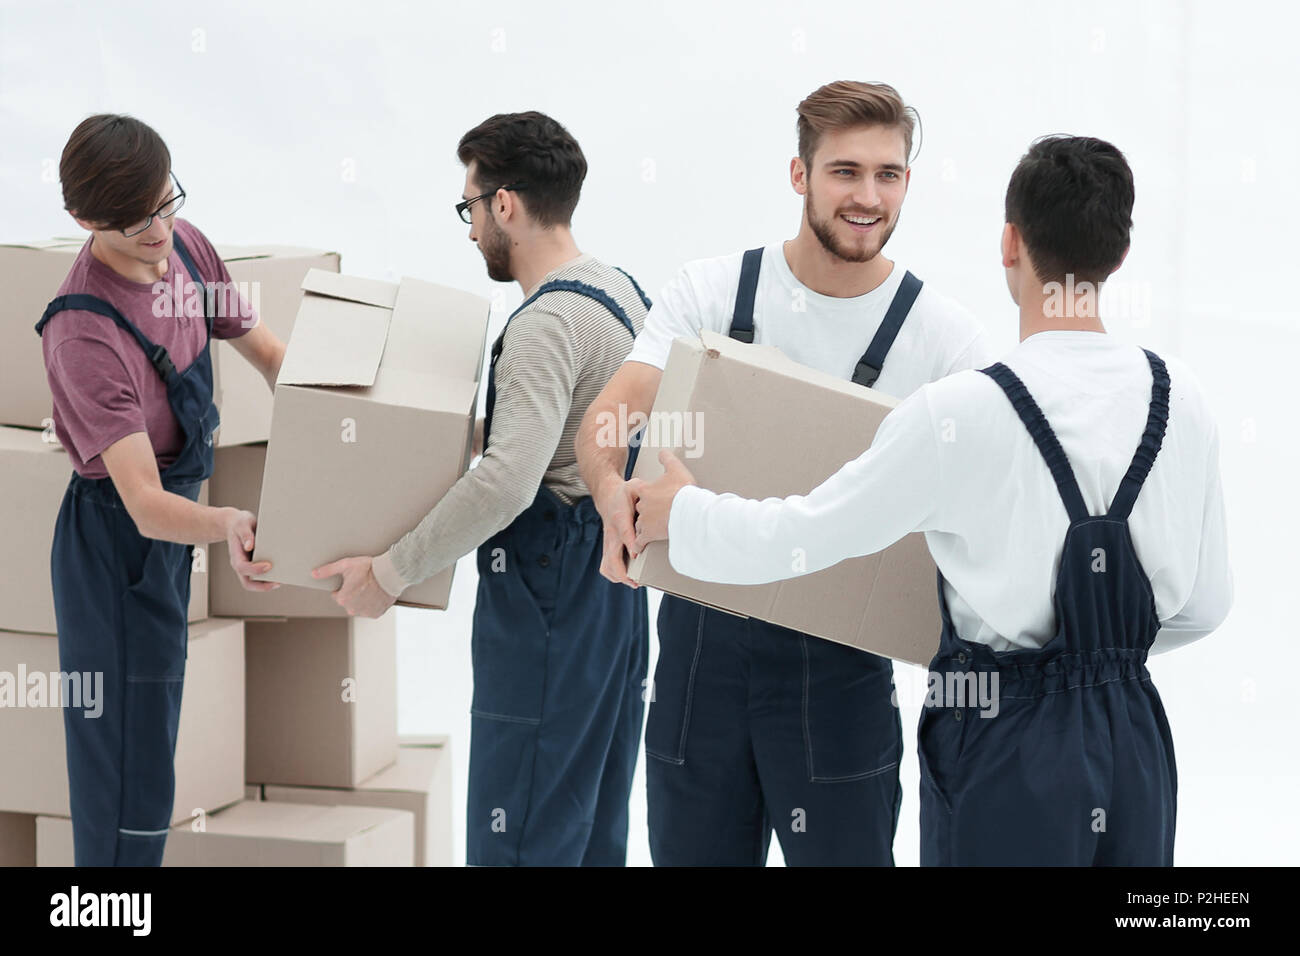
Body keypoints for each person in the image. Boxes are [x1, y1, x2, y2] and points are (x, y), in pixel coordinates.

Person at [631, 134, 1233, 866]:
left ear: (1009, 244)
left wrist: (684, 514)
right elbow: (1205, 608)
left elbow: (807, 536)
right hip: (1134, 735)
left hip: (1003, 734)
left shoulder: (962, 412)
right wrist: (1099, 662)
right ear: (1119, 252)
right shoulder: (1183, 399)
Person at [576, 81, 994, 866]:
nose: (868, 197)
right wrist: (611, 500)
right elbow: (607, 423)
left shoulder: (948, 343)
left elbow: (995, 506)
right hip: (700, 660)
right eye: (844, 172)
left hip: (840, 673)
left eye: (888, 175)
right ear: (799, 176)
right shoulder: (711, 293)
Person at [314, 112, 652, 866]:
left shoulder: (544, 324)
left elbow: (506, 483)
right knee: (589, 823)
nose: (469, 230)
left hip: (550, 597)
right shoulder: (621, 291)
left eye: (469, 207)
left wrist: (390, 573)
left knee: (523, 827)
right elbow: (564, 433)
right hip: (615, 595)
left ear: (504, 204)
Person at [37, 113, 284, 866]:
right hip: (115, 543)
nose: (159, 230)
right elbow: (144, 500)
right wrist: (233, 522)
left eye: (165, 199)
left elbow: (271, 356)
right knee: (122, 771)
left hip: (171, 534)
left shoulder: (188, 243)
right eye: (136, 218)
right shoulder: (81, 329)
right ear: (84, 219)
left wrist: (340, 435)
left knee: (154, 751)